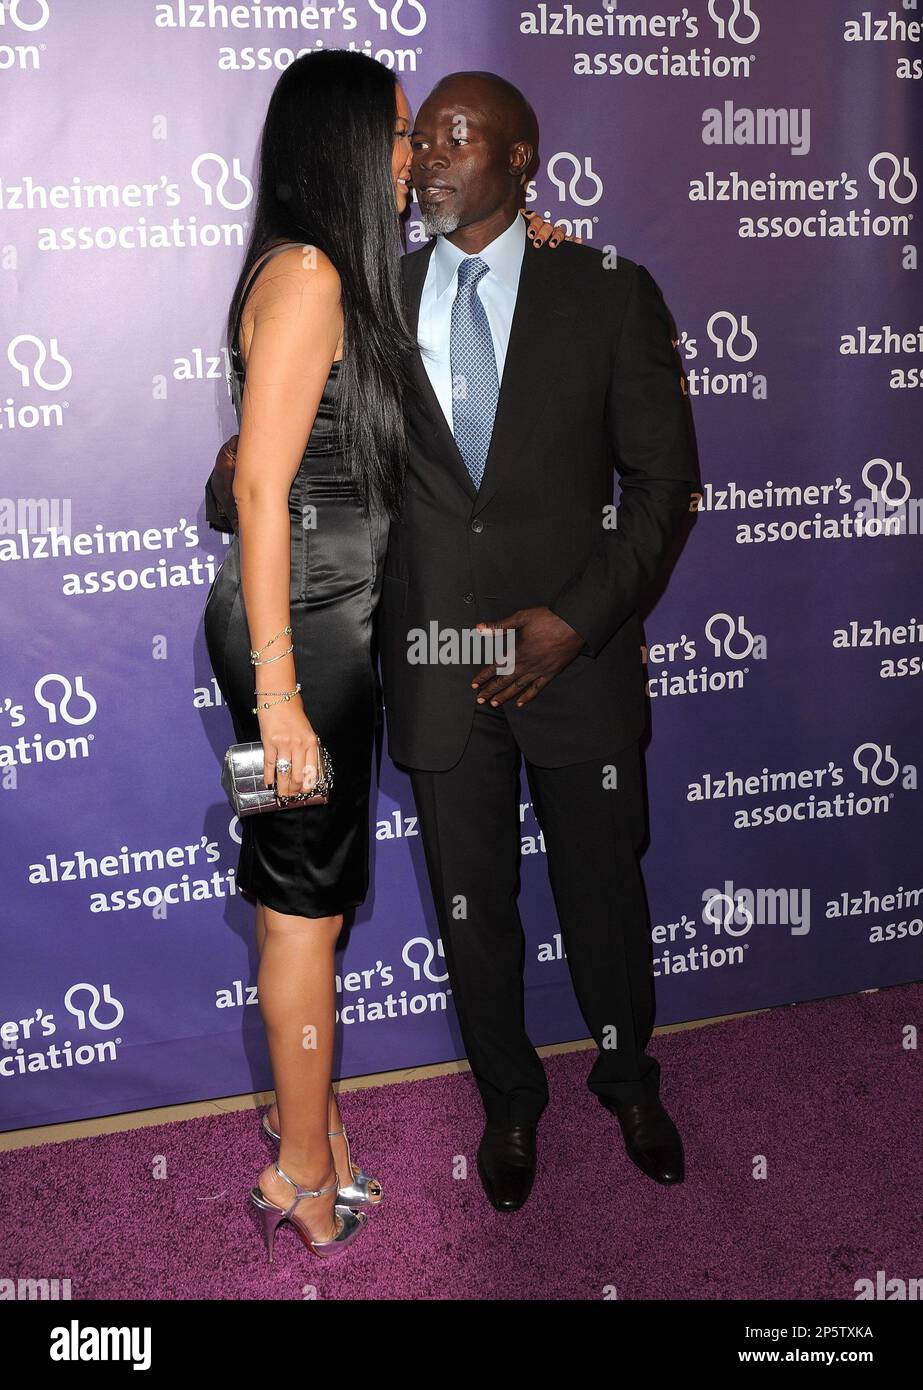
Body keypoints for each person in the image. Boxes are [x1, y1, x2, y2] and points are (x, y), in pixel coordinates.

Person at [202, 52, 565, 1260]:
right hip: (299, 635)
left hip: (327, 628)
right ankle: (300, 1174)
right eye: (399, 133)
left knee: (303, 901)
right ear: (343, 141)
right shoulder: (306, 274)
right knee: (301, 912)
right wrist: (278, 692)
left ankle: (320, 1135)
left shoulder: (323, 268)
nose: (412, 156)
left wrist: (524, 246)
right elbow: (258, 488)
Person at [377, 71, 701, 1212]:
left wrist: (573, 622)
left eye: (458, 139)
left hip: (580, 658)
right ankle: (507, 1101)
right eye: (421, 140)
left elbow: (665, 486)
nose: (428, 158)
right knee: (473, 912)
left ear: (524, 161)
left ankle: (627, 1078)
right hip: (433, 671)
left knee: (603, 895)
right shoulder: (377, 294)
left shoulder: (607, 292)